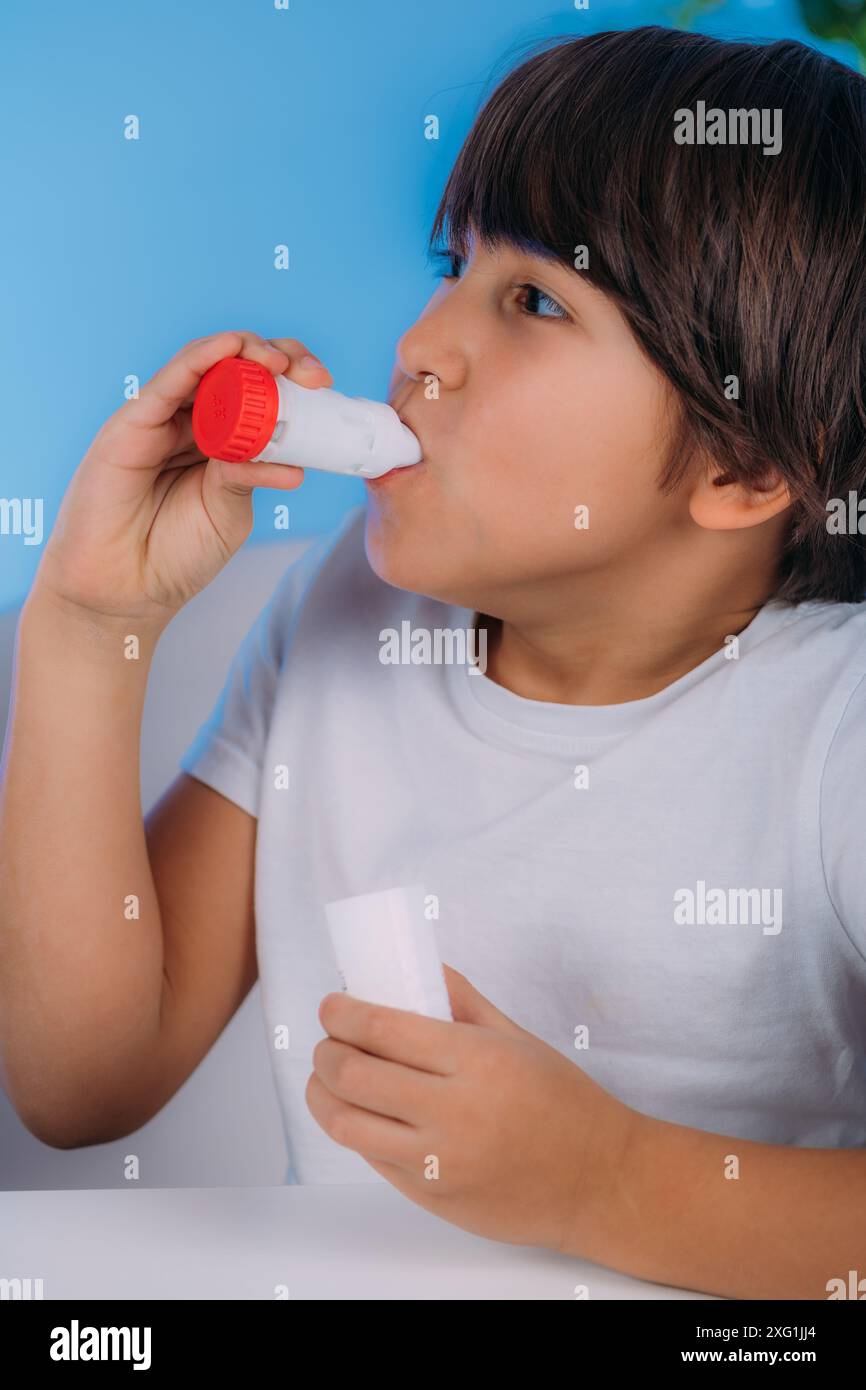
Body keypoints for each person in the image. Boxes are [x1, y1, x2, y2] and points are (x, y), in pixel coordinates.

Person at [2, 25, 866, 1299]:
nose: (418, 342)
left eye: (532, 301)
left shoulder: (836, 724)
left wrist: (606, 1182)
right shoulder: (341, 609)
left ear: (741, 469)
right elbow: (81, 1082)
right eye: (450, 267)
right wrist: (84, 625)